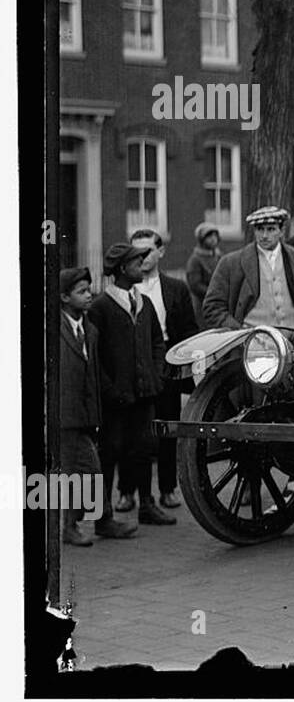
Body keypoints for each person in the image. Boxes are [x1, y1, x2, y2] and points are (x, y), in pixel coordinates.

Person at [87, 242, 173, 527]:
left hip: (144, 393)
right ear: (123, 269)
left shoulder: (144, 302)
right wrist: (109, 389)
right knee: (110, 451)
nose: (143, 267)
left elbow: (157, 343)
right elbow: (93, 355)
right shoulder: (100, 307)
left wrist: (156, 374)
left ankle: (147, 505)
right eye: (137, 263)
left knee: (144, 448)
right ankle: (104, 514)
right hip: (115, 398)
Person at [60, 266, 135, 543]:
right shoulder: (54, 330)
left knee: (90, 468)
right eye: (81, 292)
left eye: (88, 289)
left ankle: (101, 521)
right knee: (70, 472)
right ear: (65, 298)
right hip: (64, 416)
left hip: (85, 415)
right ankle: (70, 527)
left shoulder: (89, 330)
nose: (88, 295)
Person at [130, 228, 199, 510]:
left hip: (166, 365)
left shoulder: (176, 289)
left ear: (160, 252)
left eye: (147, 251)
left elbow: (189, 331)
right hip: (134, 367)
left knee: (168, 429)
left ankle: (168, 489)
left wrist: (184, 369)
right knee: (134, 433)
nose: (142, 258)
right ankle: (127, 491)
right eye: (136, 253)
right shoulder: (125, 288)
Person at [203, 206, 294, 333]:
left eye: (271, 229)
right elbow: (212, 308)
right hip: (251, 346)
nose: (264, 236)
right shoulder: (231, 263)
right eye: (260, 229)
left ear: (282, 231)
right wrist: (237, 332)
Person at [185, 222, 222, 322]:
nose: (213, 238)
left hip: (220, 304)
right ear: (201, 240)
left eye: (215, 235)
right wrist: (212, 293)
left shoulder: (219, 257)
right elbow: (195, 285)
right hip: (202, 304)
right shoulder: (195, 260)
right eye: (209, 236)